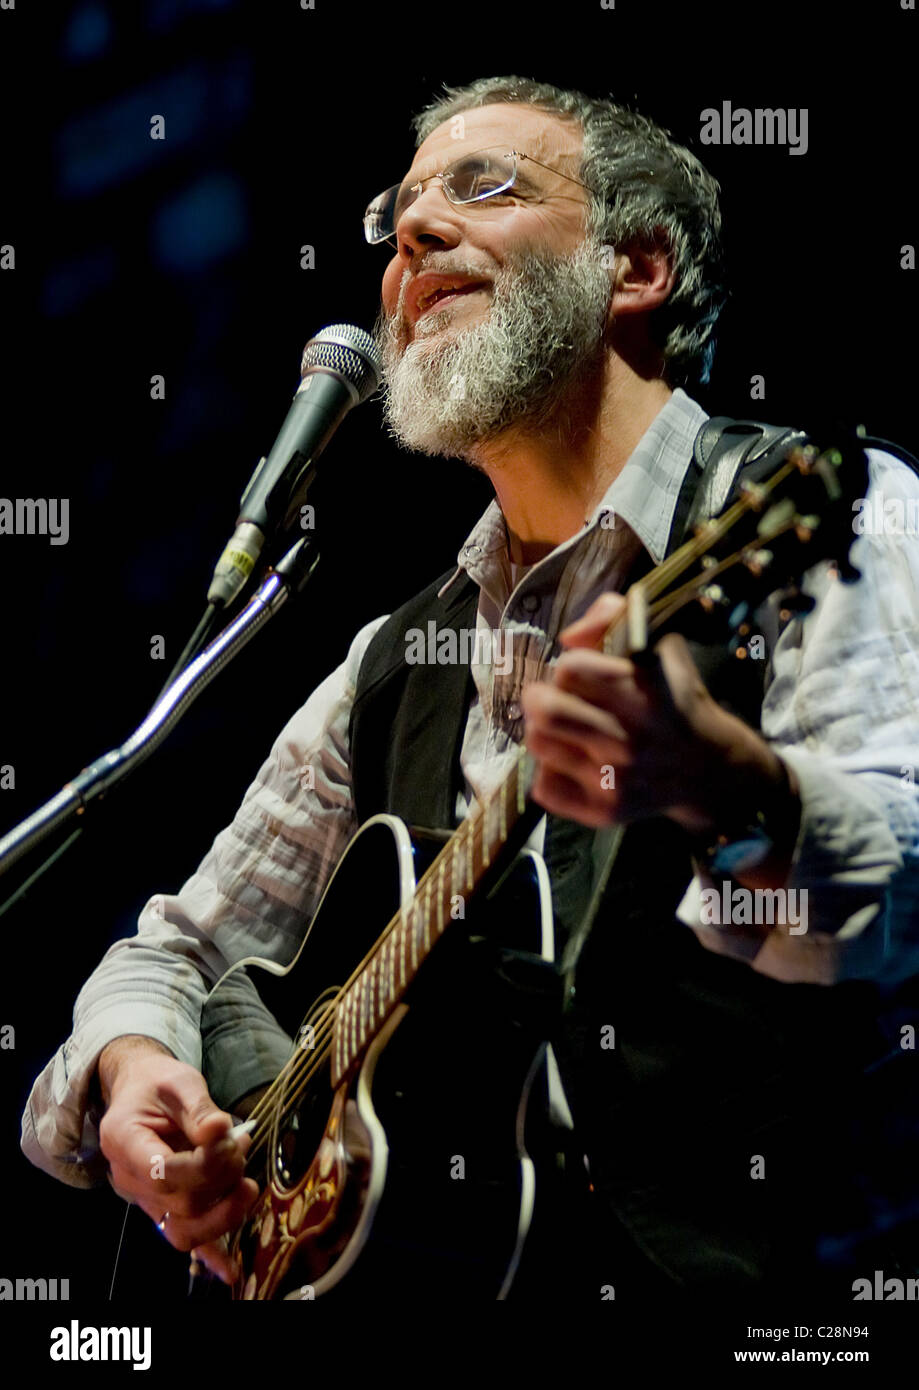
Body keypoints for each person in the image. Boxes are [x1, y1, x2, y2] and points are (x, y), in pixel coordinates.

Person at [22, 76, 919, 1300]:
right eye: (397, 213)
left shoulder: (829, 511)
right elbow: (175, 952)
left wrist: (730, 789)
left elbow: (907, 890)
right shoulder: (393, 659)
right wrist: (132, 1066)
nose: (412, 234)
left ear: (638, 266)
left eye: (482, 187)